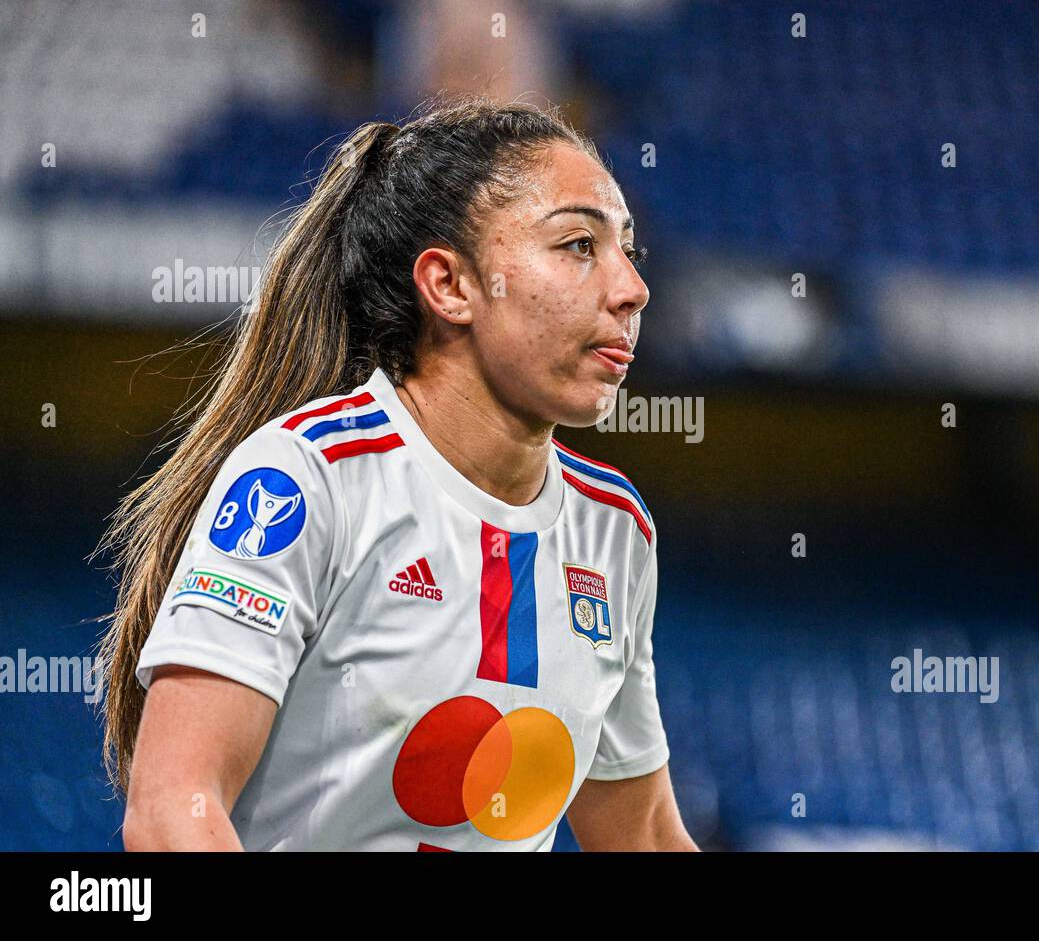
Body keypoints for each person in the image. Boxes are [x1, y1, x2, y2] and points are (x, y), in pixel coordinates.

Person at [96, 97, 697, 851]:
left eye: (628, 252)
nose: (631, 289)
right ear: (449, 285)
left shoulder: (613, 530)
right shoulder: (306, 479)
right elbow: (170, 812)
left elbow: (641, 838)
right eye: (579, 244)